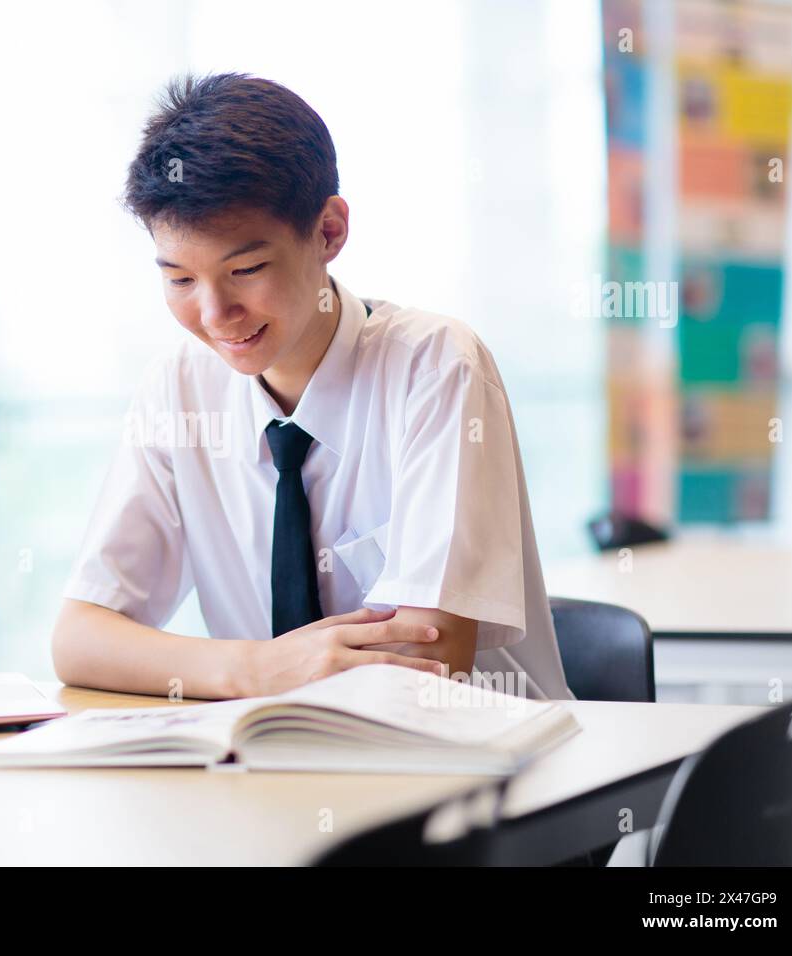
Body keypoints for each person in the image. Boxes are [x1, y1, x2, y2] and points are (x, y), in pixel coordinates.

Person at [52, 73, 572, 702]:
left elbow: (424, 659)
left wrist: (226, 671)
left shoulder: (434, 368)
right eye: (181, 280)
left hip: (477, 773)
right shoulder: (179, 392)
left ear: (328, 232)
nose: (216, 314)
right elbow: (80, 638)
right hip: (278, 770)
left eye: (245, 270)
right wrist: (255, 670)